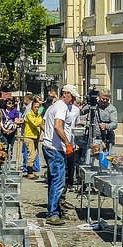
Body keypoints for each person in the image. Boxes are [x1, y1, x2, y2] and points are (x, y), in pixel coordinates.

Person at [41, 85, 79, 226]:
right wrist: (67, 143)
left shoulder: (53, 106)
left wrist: (48, 137)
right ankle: (52, 213)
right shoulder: (62, 107)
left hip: (49, 146)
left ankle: (54, 209)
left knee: (53, 179)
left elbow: (43, 123)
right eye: (73, 97)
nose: (74, 100)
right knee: (58, 180)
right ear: (66, 94)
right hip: (56, 149)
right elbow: (58, 126)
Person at [22, 96, 43, 178]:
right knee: (31, 154)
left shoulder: (38, 115)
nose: (37, 109)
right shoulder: (29, 115)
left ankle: (31, 171)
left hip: (35, 137)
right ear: (32, 107)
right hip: (29, 136)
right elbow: (35, 123)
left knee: (34, 154)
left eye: (38, 107)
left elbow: (40, 123)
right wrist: (40, 120)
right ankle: (29, 172)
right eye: (35, 107)